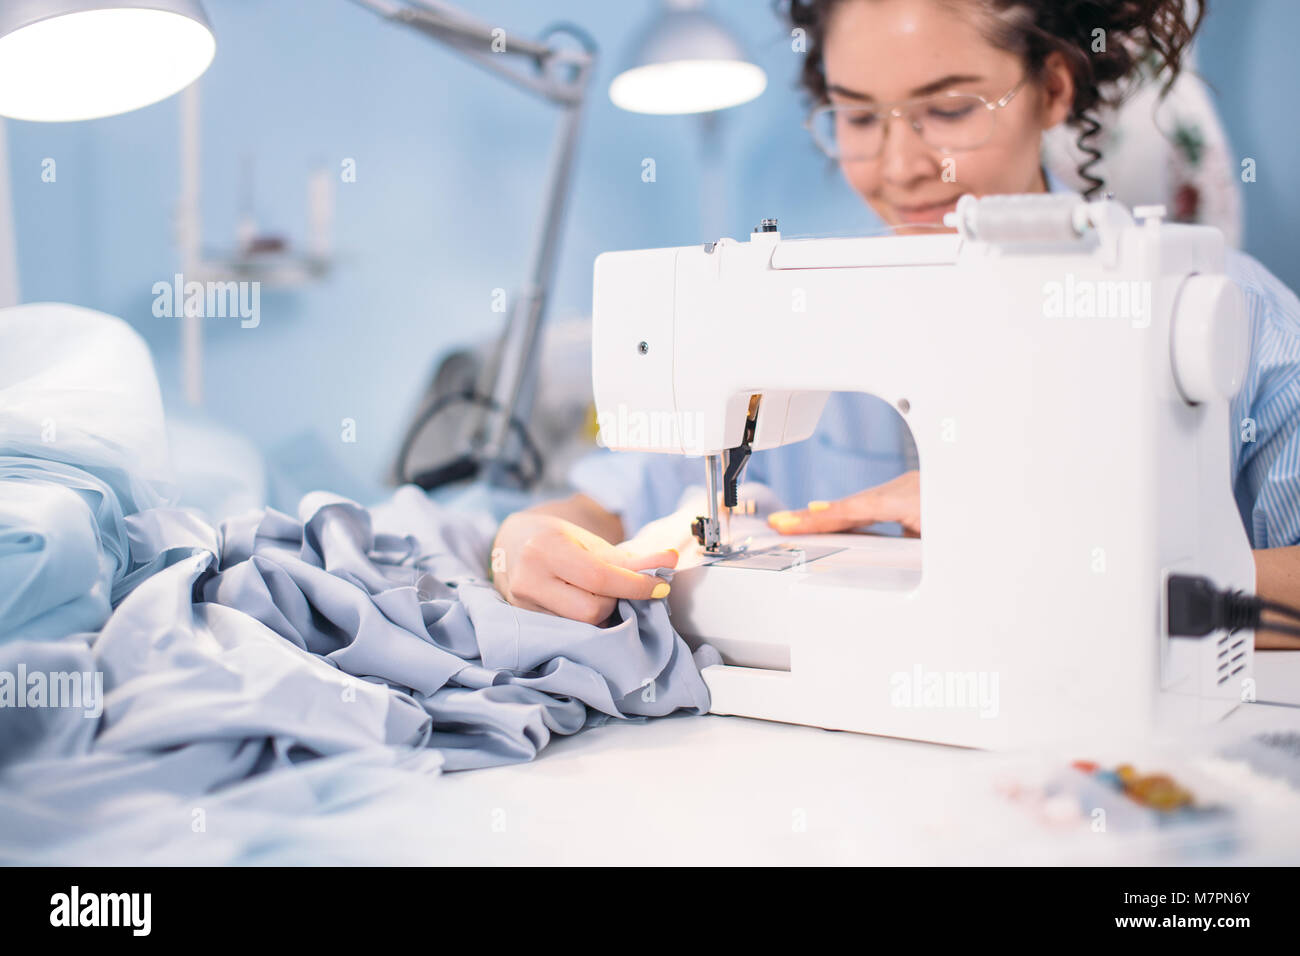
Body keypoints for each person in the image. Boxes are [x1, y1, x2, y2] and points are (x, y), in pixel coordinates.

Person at [492, 0, 1300, 648]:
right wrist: (522, 542)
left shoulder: (1230, 307)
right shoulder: (797, 309)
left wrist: (1046, 542)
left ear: (1054, 88)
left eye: (948, 109)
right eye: (858, 117)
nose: (904, 166)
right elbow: (602, 511)